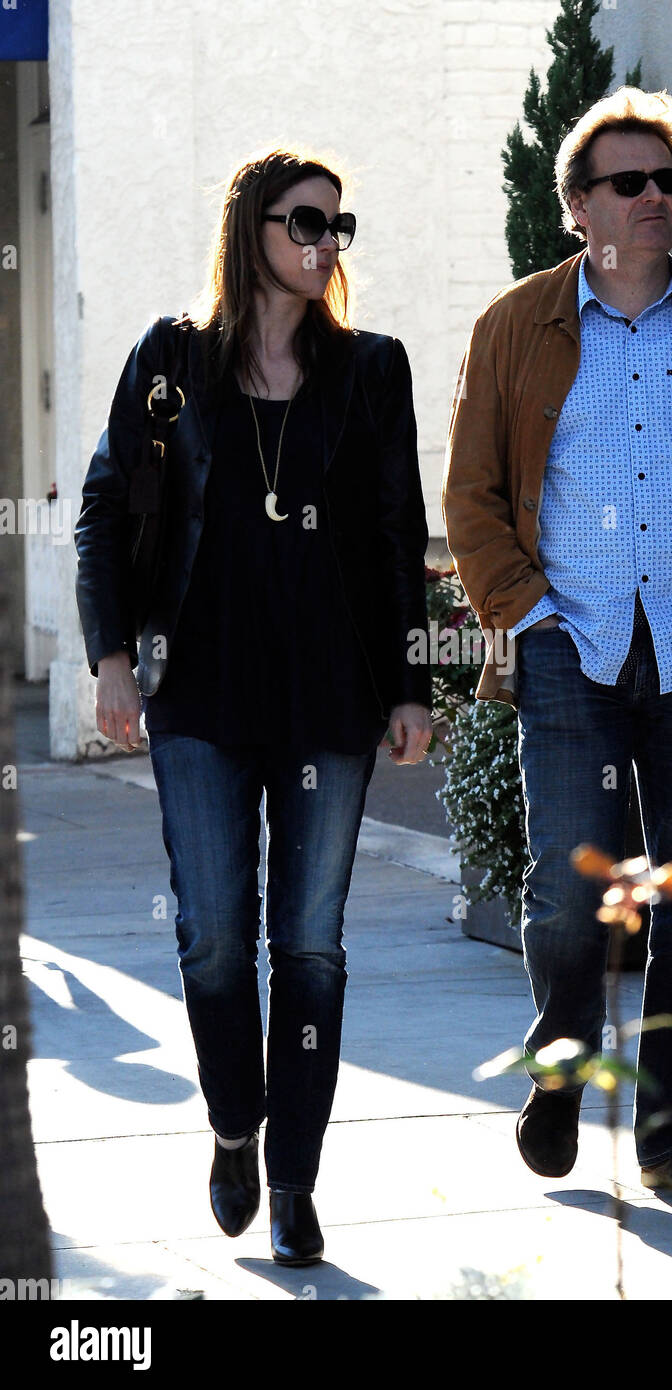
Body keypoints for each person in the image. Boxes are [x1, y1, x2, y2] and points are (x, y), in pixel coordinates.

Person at [442, 88, 672, 1201]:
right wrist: (527, 612)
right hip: (568, 647)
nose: (656, 199)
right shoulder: (515, 326)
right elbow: (471, 497)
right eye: (628, 183)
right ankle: (558, 1063)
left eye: (668, 180)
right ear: (576, 208)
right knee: (563, 893)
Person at [74, 147, 432, 1263]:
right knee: (216, 933)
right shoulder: (172, 357)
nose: (327, 240)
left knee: (310, 944)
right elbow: (100, 506)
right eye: (305, 220)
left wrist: (413, 684)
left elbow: (394, 534)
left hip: (328, 693)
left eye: (338, 223)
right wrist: (112, 655)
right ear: (252, 229)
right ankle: (235, 1122)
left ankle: (293, 1182)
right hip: (201, 689)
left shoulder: (371, 368)